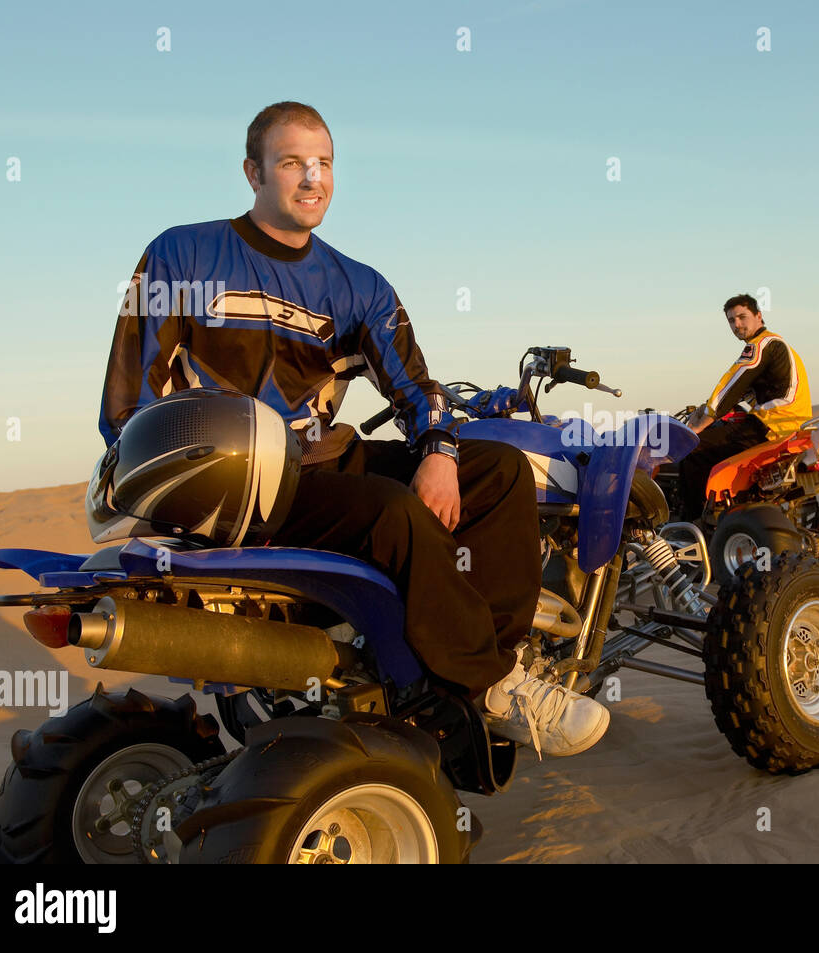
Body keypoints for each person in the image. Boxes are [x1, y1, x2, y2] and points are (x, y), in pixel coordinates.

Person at [97, 101, 607, 756]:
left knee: (499, 469)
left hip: (321, 466)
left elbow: (417, 387)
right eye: (290, 163)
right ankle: (483, 681)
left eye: (324, 164)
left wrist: (440, 450)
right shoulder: (182, 254)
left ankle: (500, 669)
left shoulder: (358, 285)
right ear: (252, 172)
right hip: (231, 483)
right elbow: (130, 399)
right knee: (391, 512)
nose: (312, 179)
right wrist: (166, 491)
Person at [678, 293, 812, 522]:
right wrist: (707, 407)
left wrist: (701, 422)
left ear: (759, 316)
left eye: (742, 317)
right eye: (731, 320)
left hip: (770, 425)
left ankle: (691, 523)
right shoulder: (778, 346)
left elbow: (732, 384)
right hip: (791, 426)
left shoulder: (761, 345)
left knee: (691, 450)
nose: (737, 324)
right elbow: (745, 391)